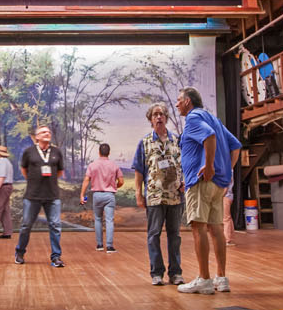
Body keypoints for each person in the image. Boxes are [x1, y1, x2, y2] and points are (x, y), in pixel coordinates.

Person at [175, 86, 241, 295]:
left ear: (188, 101)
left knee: (198, 227)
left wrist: (210, 166)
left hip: (201, 182)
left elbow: (209, 137)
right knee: (216, 228)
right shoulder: (214, 119)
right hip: (218, 184)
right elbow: (236, 146)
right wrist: (226, 170)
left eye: (179, 100)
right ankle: (221, 278)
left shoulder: (193, 118)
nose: (177, 104)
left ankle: (204, 279)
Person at [133, 103, 185, 286]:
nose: (159, 117)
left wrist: (185, 181)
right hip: (154, 196)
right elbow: (139, 170)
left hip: (175, 196)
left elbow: (186, 163)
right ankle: (156, 273)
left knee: (175, 236)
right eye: (155, 114)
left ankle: (176, 273)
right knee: (154, 234)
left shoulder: (177, 140)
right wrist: (138, 194)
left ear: (166, 118)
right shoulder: (145, 142)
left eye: (162, 114)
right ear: (150, 119)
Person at [15, 123, 65, 268]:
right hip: (32, 196)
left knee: (55, 226)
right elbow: (24, 169)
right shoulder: (29, 152)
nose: (47, 133)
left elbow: (60, 171)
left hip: (52, 196)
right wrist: (33, 180)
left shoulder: (56, 152)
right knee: (26, 225)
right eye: (43, 132)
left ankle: (56, 257)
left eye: (48, 132)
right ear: (37, 137)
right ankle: (20, 252)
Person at [80, 142, 123, 252]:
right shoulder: (114, 165)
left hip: (97, 195)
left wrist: (82, 195)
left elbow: (86, 180)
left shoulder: (92, 165)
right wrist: (115, 186)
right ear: (109, 153)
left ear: (99, 152)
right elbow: (121, 181)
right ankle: (109, 246)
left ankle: (99, 245)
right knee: (109, 220)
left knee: (98, 219)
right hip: (109, 195)